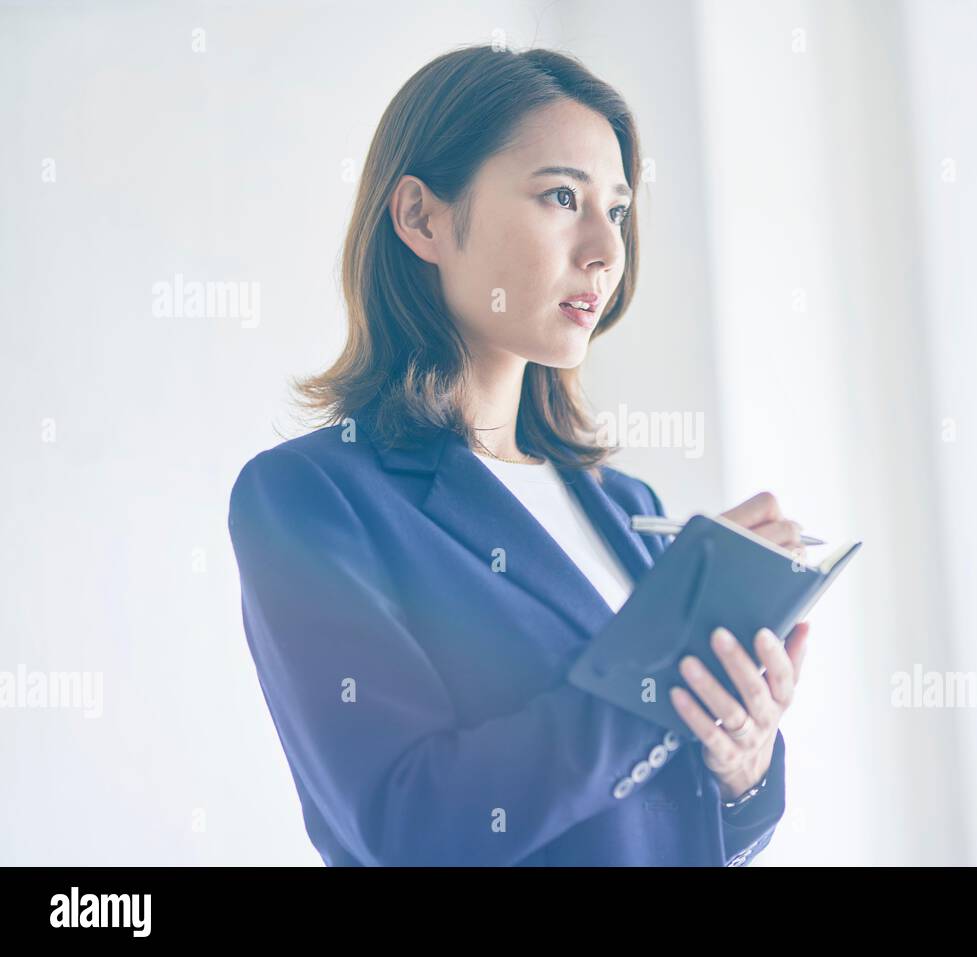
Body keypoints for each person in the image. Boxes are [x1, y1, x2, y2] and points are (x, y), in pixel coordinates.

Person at [227, 44, 812, 866]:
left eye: (617, 209)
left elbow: (676, 827)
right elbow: (410, 829)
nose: (605, 250)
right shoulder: (311, 498)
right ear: (422, 219)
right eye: (562, 197)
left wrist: (741, 766)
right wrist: (656, 664)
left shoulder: (626, 506)